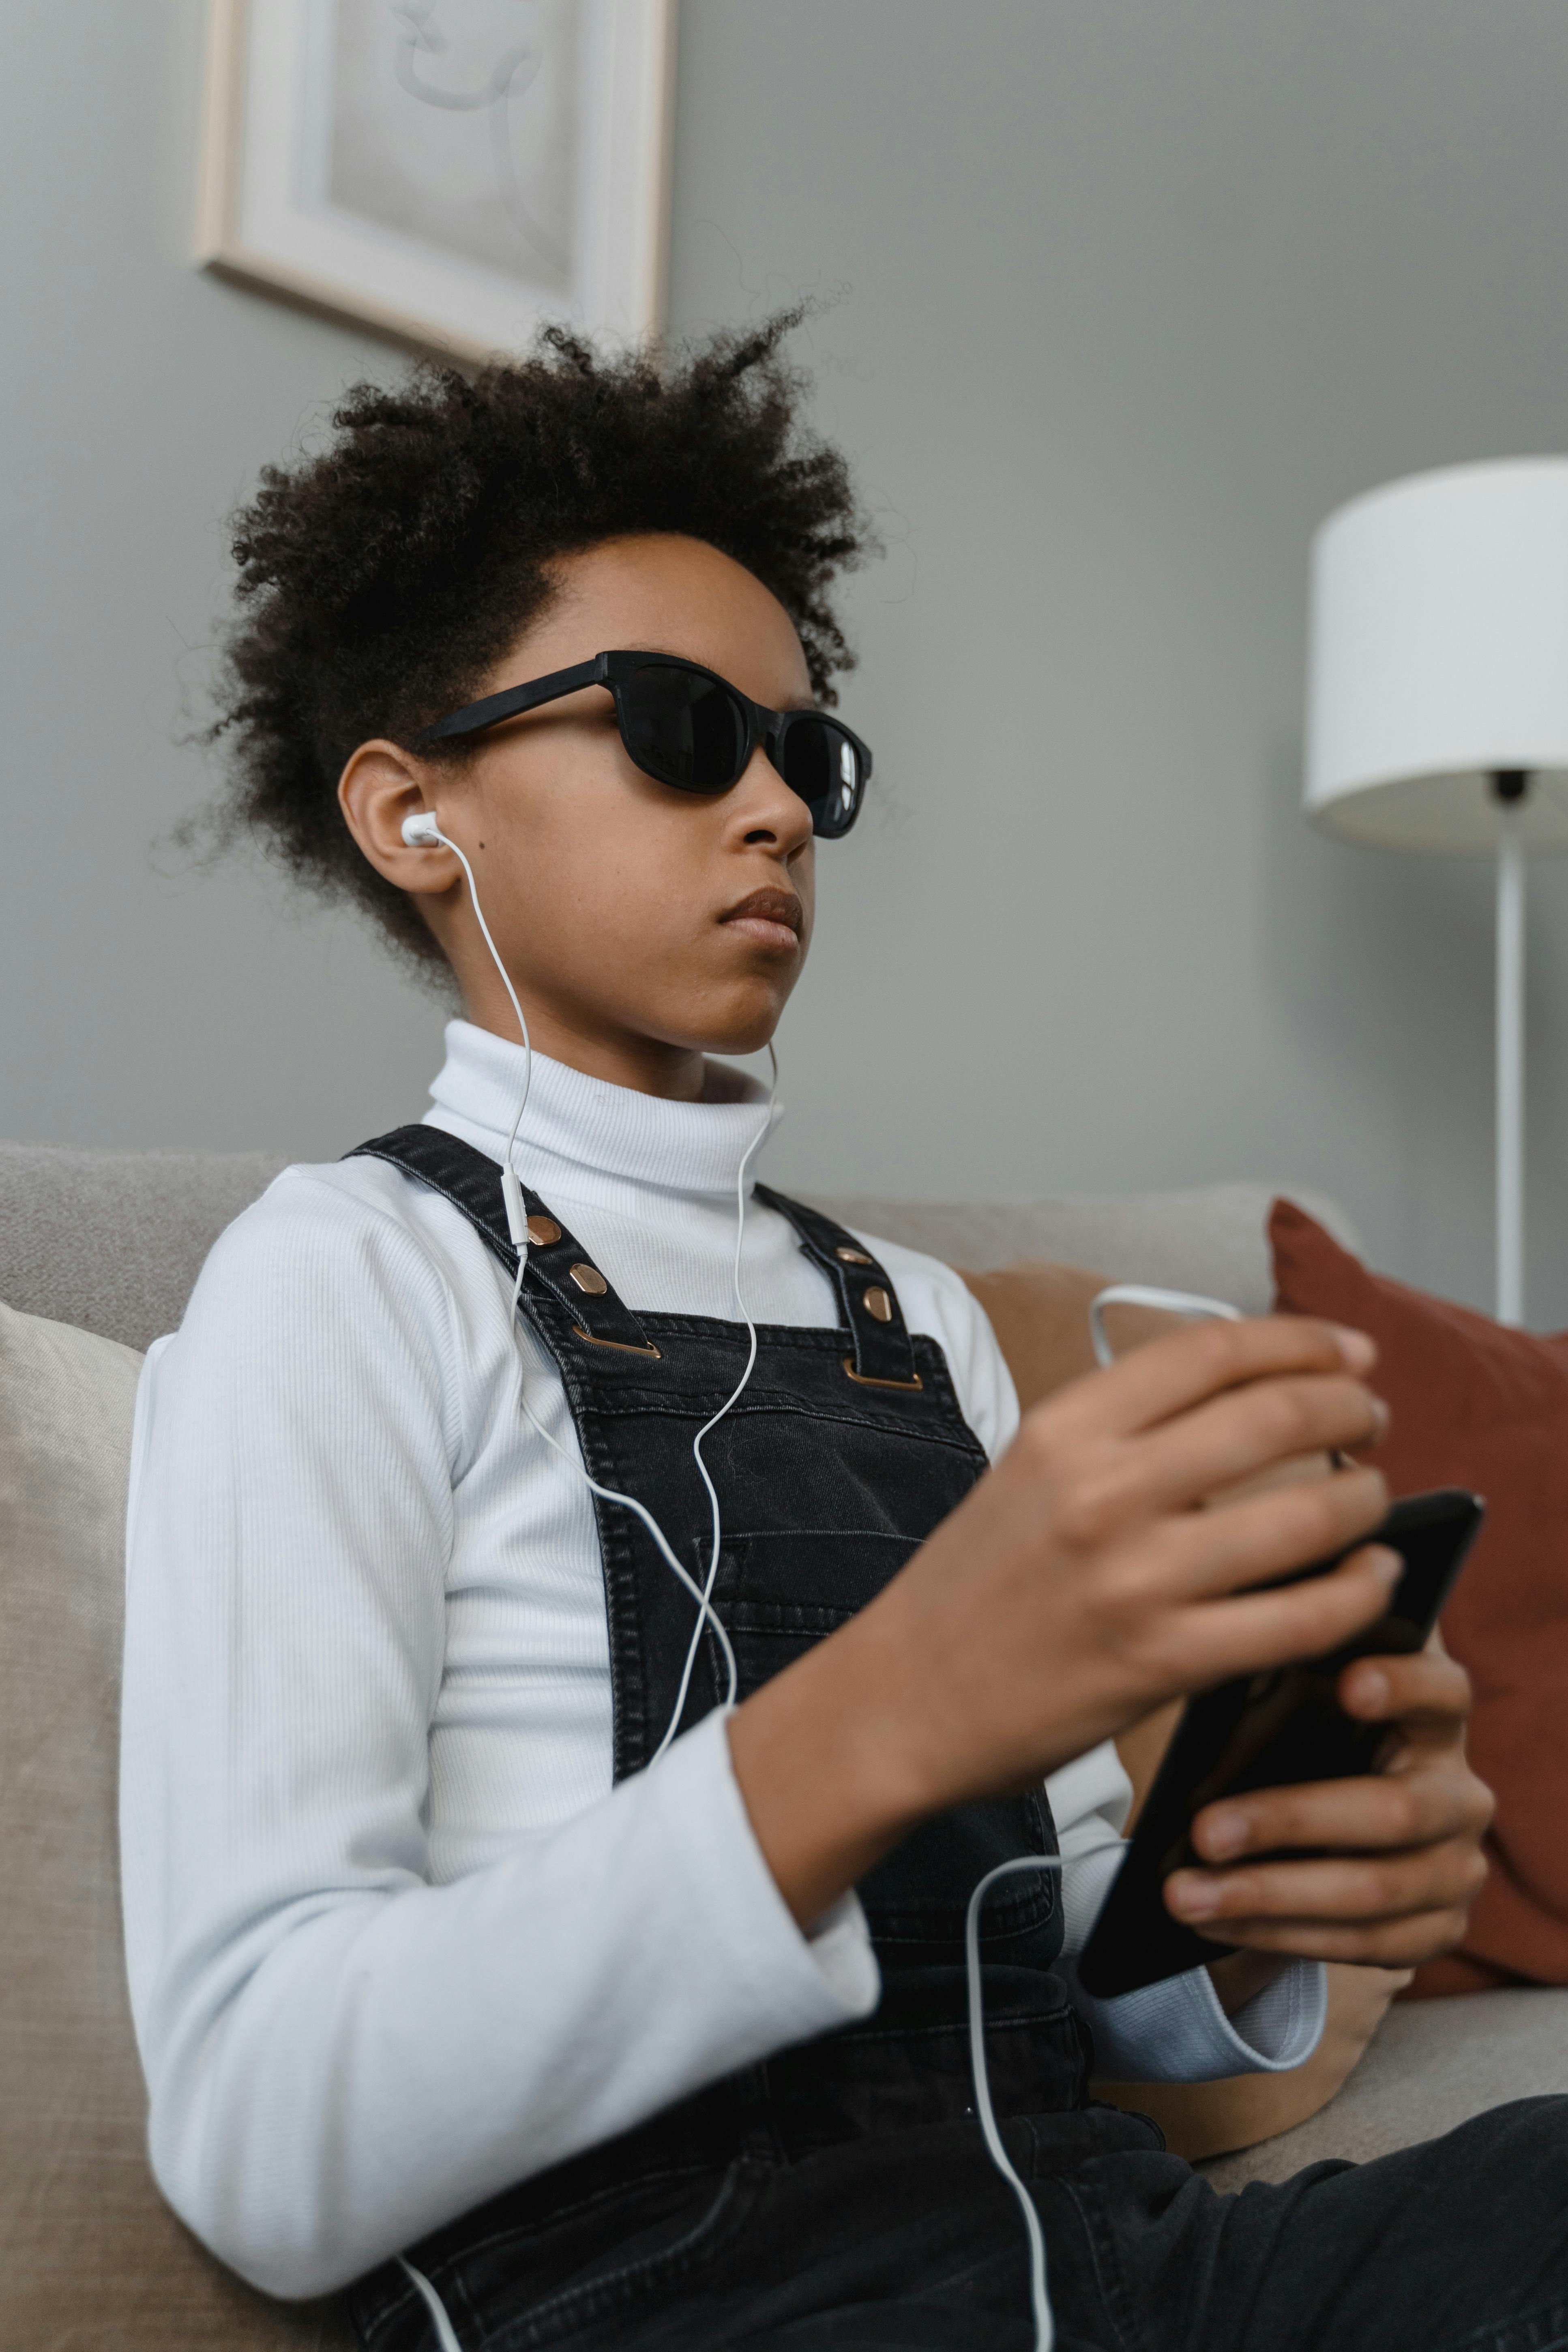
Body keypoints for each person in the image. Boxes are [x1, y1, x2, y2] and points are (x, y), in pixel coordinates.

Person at [120, 315, 1564, 2352]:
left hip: (1111, 2278)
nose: (778, 808)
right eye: (680, 730)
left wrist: (1248, 1909)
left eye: (810, 752)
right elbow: (266, 2133)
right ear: (407, 809)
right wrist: (881, 1716)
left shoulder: (919, 1326)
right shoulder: (341, 1280)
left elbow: (1070, 2025)